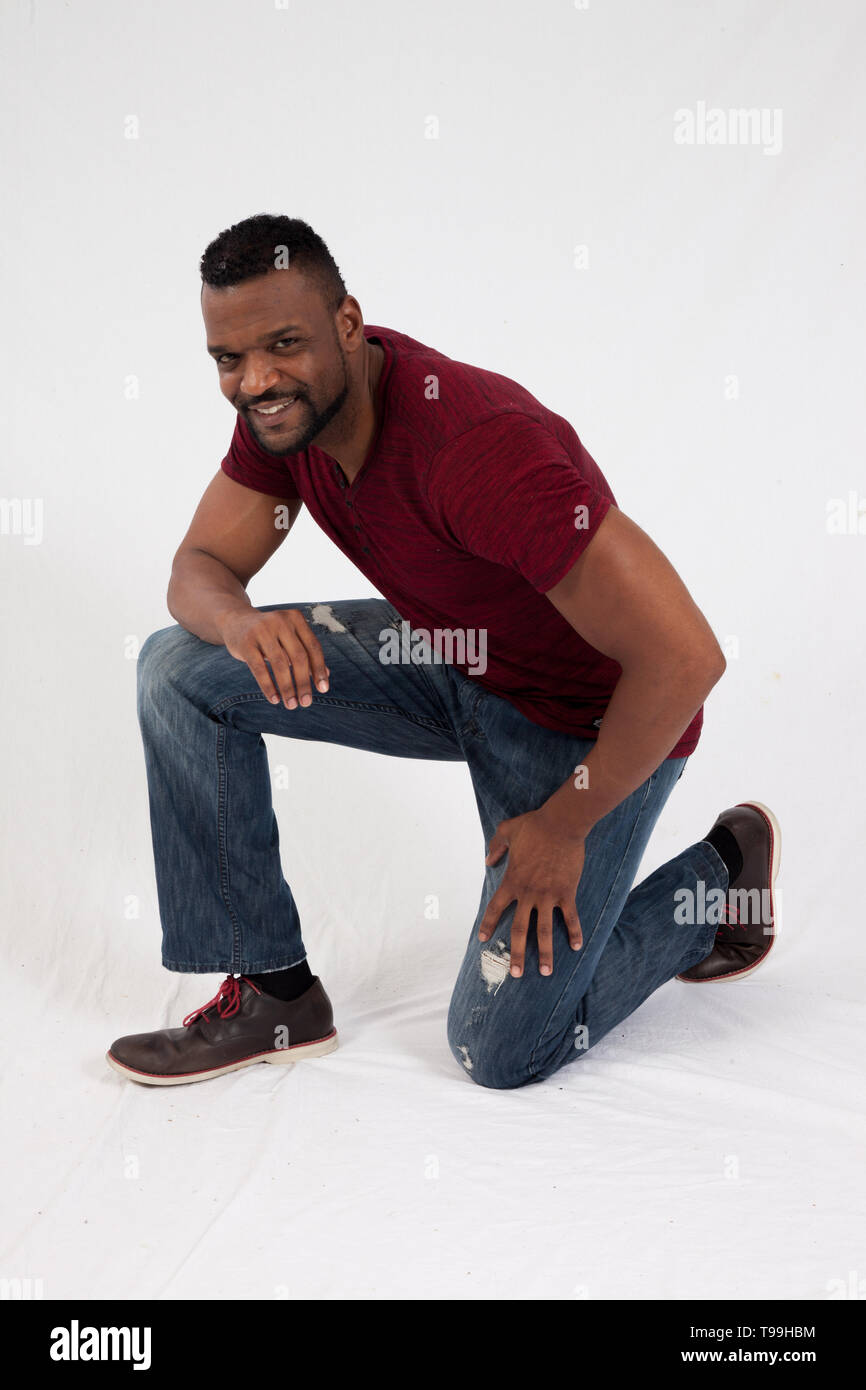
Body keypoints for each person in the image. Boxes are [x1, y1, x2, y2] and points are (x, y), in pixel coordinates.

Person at [106, 214, 781, 1091]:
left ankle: (721, 880)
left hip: (585, 725)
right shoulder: (289, 421)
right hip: (452, 655)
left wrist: (565, 822)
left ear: (348, 324)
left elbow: (686, 660)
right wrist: (239, 625)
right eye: (228, 359)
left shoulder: (475, 450)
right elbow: (198, 569)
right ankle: (274, 993)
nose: (257, 381)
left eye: (283, 346)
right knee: (177, 671)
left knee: (500, 1050)